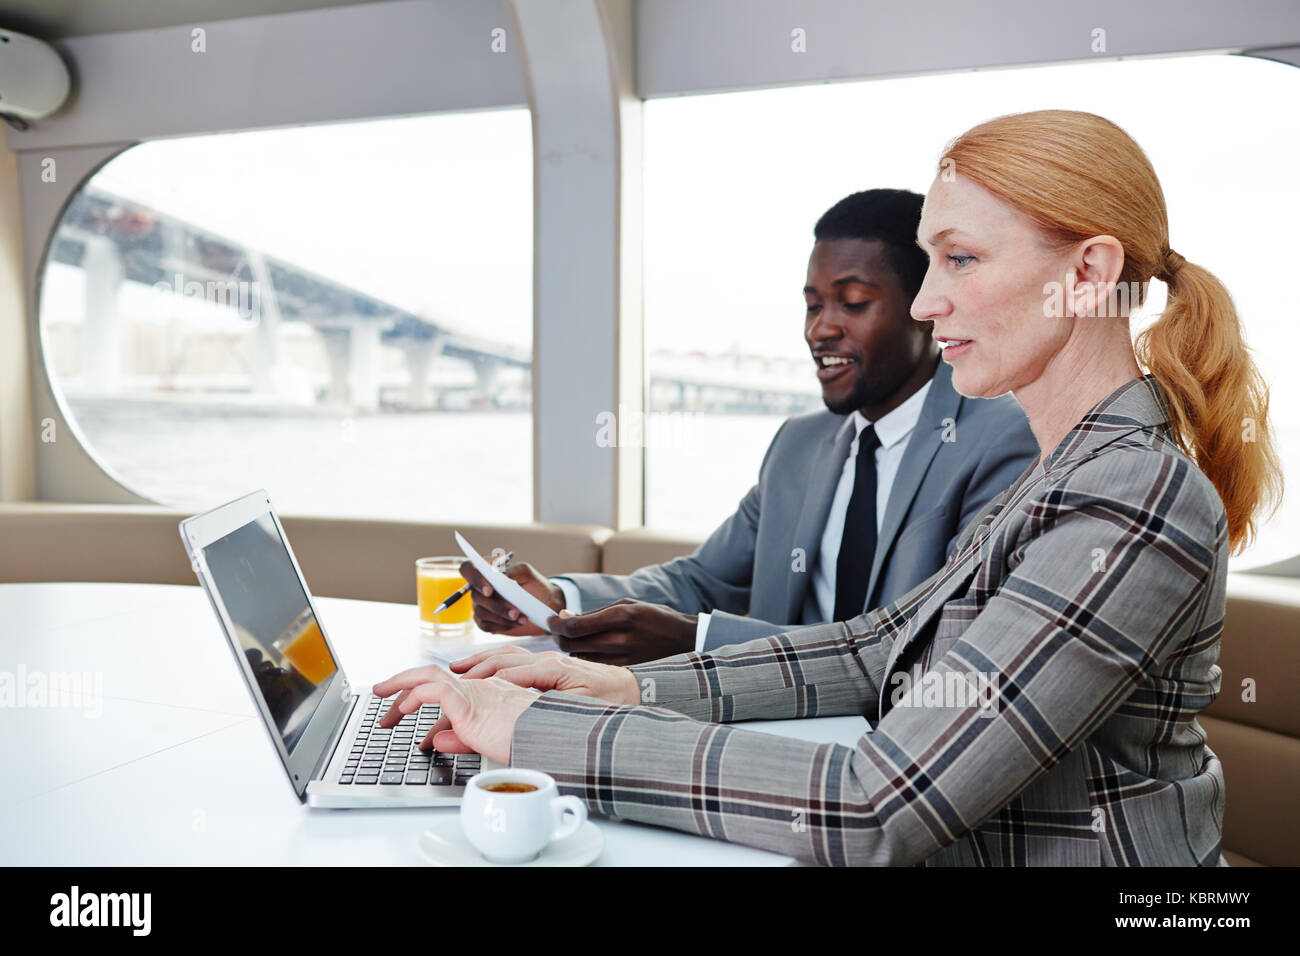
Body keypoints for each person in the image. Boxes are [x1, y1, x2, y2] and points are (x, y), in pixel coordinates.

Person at [375, 110, 1282, 865]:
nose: (928, 302)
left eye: (960, 261)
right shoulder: (1070, 466)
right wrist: (617, 690)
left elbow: (877, 805)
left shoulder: (1133, 500)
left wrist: (528, 735)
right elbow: (876, 648)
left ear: (1088, 275)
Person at [462, 189, 1037, 665]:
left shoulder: (1001, 440)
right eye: (813, 306)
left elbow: (932, 647)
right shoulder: (800, 444)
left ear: (924, 307)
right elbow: (699, 581)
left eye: (853, 302)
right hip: (767, 721)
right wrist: (560, 598)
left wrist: (700, 639)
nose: (821, 330)